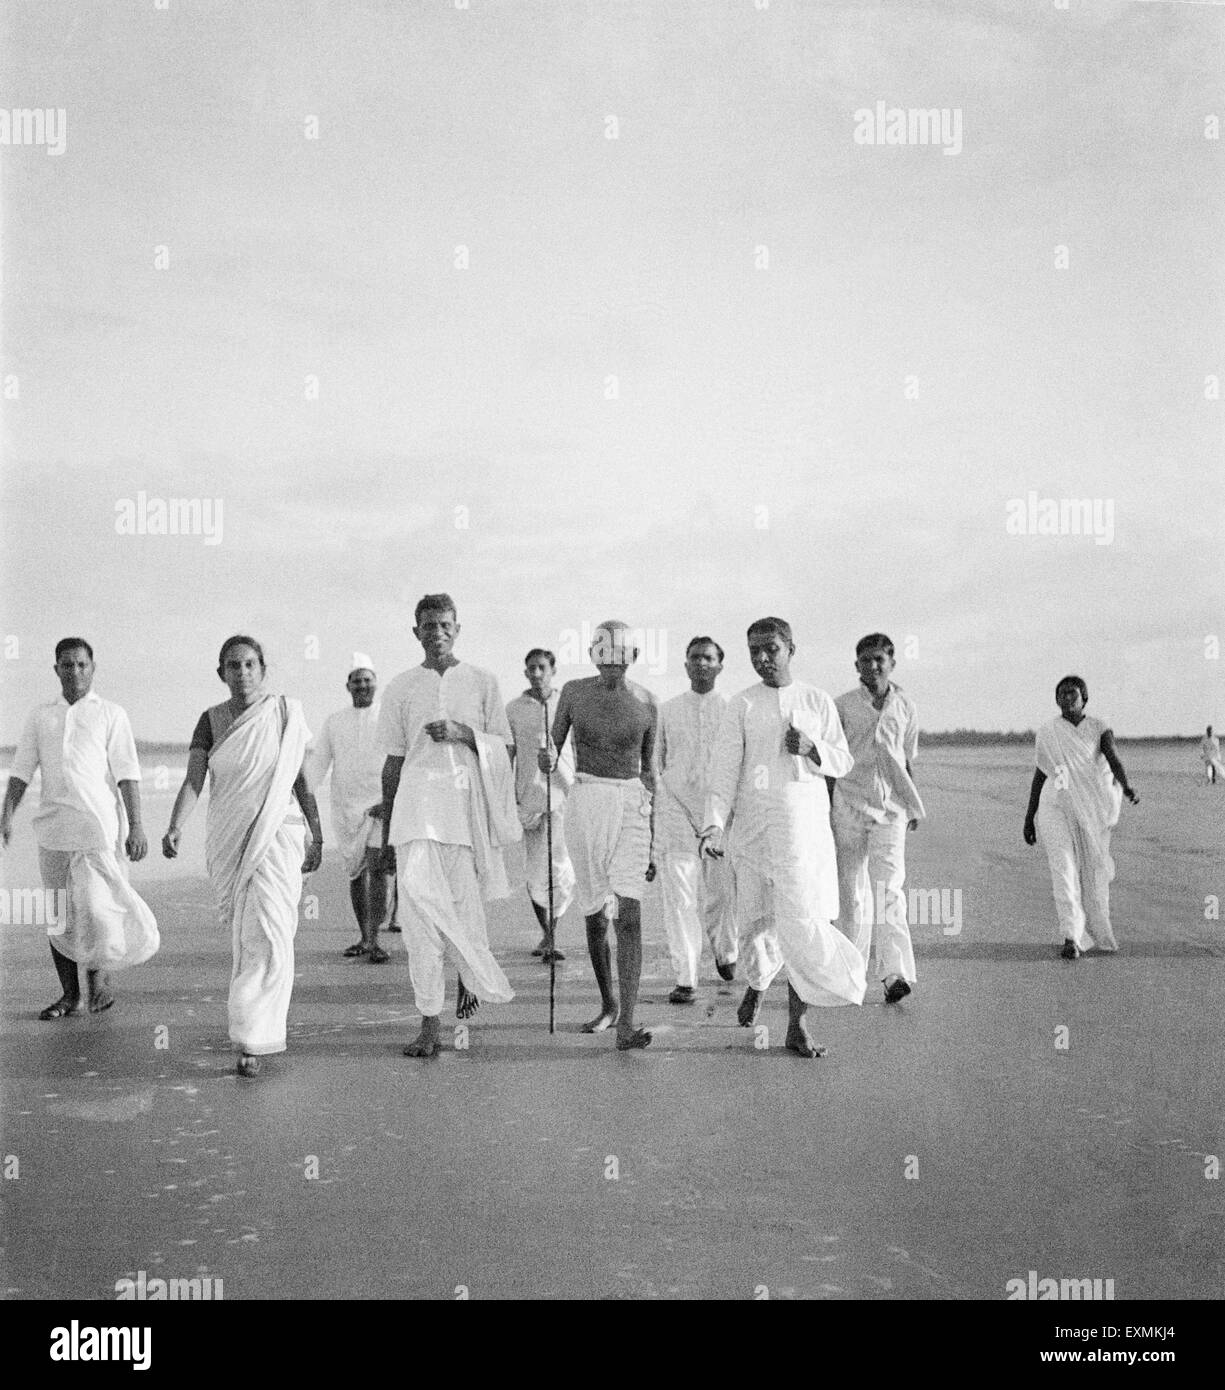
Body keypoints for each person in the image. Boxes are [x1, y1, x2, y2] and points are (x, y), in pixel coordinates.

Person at [700, 617, 866, 1058]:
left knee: (802, 921)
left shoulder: (816, 700)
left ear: (791, 648)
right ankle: (756, 984)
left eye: (771, 649)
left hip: (803, 831)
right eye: (754, 650)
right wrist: (714, 823)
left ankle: (798, 1023)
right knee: (756, 926)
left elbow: (843, 761)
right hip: (753, 832)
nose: (762, 658)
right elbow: (722, 773)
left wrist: (812, 748)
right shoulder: (742, 705)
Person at [163, 636, 322, 1077]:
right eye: (233, 666)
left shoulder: (286, 713)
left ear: (263, 668)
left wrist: (319, 833)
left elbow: (302, 782)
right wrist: (175, 826)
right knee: (248, 932)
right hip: (230, 837)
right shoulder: (209, 721)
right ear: (221, 673)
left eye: (250, 664)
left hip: (279, 835)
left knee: (271, 931)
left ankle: (254, 1036)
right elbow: (194, 781)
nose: (243, 673)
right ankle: (252, 1026)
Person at [377, 594, 518, 1058]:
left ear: (458, 628)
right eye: (428, 625)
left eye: (444, 625)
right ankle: (428, 1023)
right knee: (418, 922)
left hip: (464, 816)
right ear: (415, 631)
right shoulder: (399, 687)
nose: (436, 632)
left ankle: (469, 981)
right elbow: (394, 762)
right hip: (415, 815)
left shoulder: (482, 681)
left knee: (464, 913)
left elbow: (506, 749)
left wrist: (463, 734)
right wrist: (384, 834)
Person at [1, 638, 158, 1019]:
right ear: (56, 669)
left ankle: (98, 980)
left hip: (100, 828)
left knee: (96, 906)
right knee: (58, 914)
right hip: (53, 829)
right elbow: (22, 770)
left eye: (82, 665)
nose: (75, 672)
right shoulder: (41, 716)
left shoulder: (111, 713)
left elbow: (127, 773)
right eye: (67, 665)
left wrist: (136, 825)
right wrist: (7, 814)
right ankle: (70, 996)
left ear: (93, 668)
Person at [540, 620, 658, 1050]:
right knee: (595, 912)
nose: (611, 663)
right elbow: (553, 754)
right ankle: (608, 1003)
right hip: (585, 798)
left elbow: (652, 773)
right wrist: (546, 758)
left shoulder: (648, 702)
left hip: (631, 804)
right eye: (603, 654)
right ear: (593, 656)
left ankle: (627, 1022)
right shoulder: (572, 693)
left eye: (620, 655)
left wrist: (655, 838)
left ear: (633, 657)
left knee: (630, 913)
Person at [829, 633, 925, 1005]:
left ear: (892, 663)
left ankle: (894, 974)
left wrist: (911, 803)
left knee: (889, 890)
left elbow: (906, 759)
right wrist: (826, 808)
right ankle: (849, 974)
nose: (872, 666)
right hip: (848, 804)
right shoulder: (841, 706)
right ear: (856, 666)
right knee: (851, 893)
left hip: (892, 811)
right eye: (865, 660)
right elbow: (830, 763)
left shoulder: (906, 706)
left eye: (879, 660)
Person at [1023, 675, 1139, 960]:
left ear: (1084, 697)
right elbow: (1041, 772)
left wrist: (1126, 786)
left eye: (1072, 693)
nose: (1066, 698)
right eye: (1061, 694)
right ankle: (1071, 936)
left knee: (1093, 872)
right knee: (1062, 869)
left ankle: (1094, 930)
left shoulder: (1099, 727)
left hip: (1088, 809)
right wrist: (1030, 815)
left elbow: (1113, 759)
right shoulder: (1049, 732)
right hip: (1055, 805)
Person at [657, 636, 736, 1004]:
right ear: (685, 665)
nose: (701, 663)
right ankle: (686, 976)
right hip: (676, 810)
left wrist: (725, 815)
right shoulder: (667, 710)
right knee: (679, 895)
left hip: (720, 815)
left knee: (721, 892)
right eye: (694, 658)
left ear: (720, 665)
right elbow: (656, 762)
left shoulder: (734, 709)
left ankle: (726, 951)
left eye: (708, 658)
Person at [306, 656, 392, 963]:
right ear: (348, 686)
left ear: (376, 683)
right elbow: (318, 764)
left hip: (379, 805)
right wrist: (301, 792)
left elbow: (401, 758)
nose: (363, 685)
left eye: (368, 679)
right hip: (345, 808)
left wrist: (393, 800)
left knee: (378, 869)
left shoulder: (388, 716)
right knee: (355, 874)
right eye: (357, 680)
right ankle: (365, 936)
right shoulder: (334, 721)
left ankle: (376, 939)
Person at [506, 649, 575, 964]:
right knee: (535, 870)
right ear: (525, 672)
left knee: (562, 870)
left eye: (541, 668)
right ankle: (546, 932)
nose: (536, 673)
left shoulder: (569, 703)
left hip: (565, 795)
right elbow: (508, 756)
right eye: (530, 668)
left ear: (553, 670)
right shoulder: (513, 709)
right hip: (529, 797)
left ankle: (555, 932)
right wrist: (507, 797)